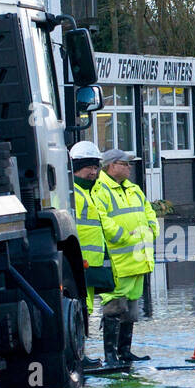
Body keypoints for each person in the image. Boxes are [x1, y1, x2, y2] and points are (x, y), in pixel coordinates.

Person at [93, 148, 159, 366]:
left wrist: (152, 229)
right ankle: (111, 355)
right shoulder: (100, 189)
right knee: (113, 306)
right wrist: (124, 236)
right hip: (119, 261)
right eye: (125, 164)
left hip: (138, 259)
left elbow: (149, 212)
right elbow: (102, 220)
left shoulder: (133, 189)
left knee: (130, 308)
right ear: (111, 166)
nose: (129, 168)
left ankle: (124, 351)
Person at [70, 140, 107, 369]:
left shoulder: (88, 191)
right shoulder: (76, 193)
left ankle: (81, 356)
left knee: (86, 309)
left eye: (96, 168)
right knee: (81, 309)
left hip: (89, 263)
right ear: (77, 167)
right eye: (89, 168)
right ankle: (79, 357)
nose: (93, 172)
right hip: (80, 262)